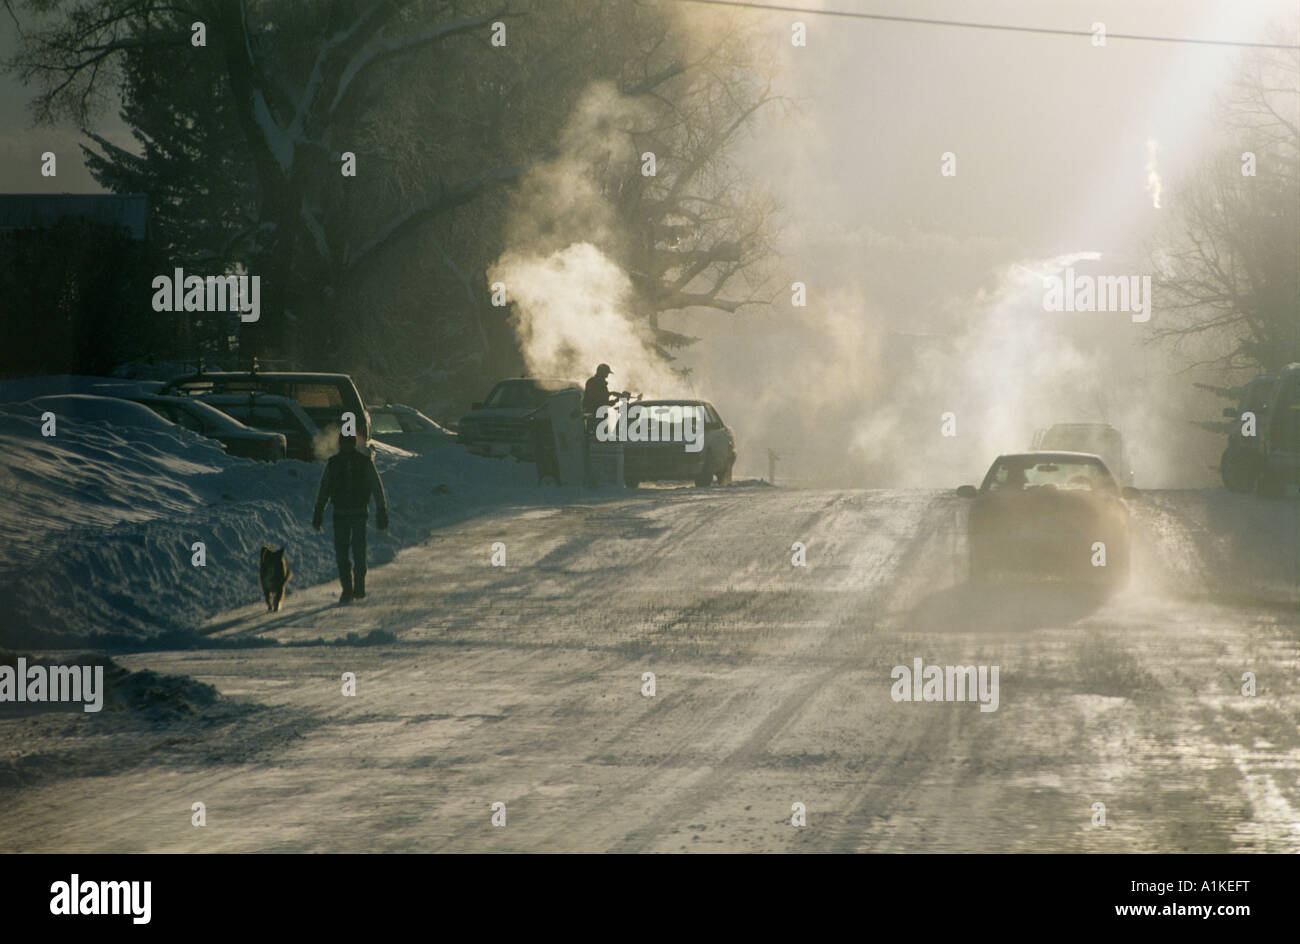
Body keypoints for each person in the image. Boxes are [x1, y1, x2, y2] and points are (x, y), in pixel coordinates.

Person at [312, 430, 389, 603]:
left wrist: (381, 509)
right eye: (344, 443)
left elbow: (376, 487)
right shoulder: (349, 463)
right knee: (346, 553)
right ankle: (348, 588)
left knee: (355, 551)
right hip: (345, 514)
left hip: (356, 513)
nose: (346, 446)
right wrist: (318, 511)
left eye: (348, 443)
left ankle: (357, 585)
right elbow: (324, 489)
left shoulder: (356, 463)